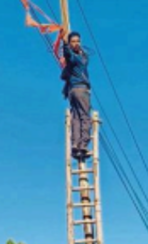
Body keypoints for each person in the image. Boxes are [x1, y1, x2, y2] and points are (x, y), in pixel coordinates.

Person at [60, 31, 93, 161]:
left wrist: (67, 45)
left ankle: (75, 144)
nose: (77, 44)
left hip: (72, 91)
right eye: (74, 41)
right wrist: (65, 44)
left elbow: (64, 74)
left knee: (76, 118)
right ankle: (83, 144)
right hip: (80, 89)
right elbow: (69, 55)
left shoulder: (79, 59)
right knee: (84, 117)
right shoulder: (76, 58)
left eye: (78, 41)